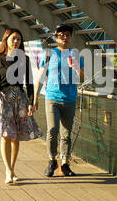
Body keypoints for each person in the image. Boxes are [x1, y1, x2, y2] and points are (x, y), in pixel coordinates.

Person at [0, 28, 40, 184]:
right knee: (5, 135)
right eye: (13, 38)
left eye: (19, 39)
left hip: (19, 99)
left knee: (16, 137)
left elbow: (29, 82)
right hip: (2, 99)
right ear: (6, 39)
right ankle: (8, 171)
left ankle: (12, 169)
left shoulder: (25, 59)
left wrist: (30, 101)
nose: (16, 41)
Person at [34, 24, 85, 177]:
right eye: (61, 34)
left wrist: (77, 68)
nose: (64, 37)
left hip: (69, 98)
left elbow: (83, 77)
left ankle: (65, 164)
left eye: (67, 34)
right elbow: (41, 77)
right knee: (52, 130)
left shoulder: (76, 54)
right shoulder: (50, 54)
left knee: (67, 133)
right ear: (56, 37)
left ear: (70, 37)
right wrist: (35, 96)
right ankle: (51, 160)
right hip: (52, 98)